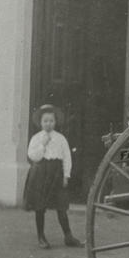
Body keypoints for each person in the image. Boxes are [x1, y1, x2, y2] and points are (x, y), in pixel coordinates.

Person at [23, 104, 80, 249]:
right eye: (45, 121)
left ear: (55, 122)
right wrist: (42, 145)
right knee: (39, 206)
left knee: (61, 206)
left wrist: (66, 175)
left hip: (56, 173)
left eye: (51, 121)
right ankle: (41, 237)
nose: (48, 124)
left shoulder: (61, 139)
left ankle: (68, 236)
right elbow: (33, 156)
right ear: (40, 122)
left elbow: (67, 157)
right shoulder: (36, 138)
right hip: (40, 173)